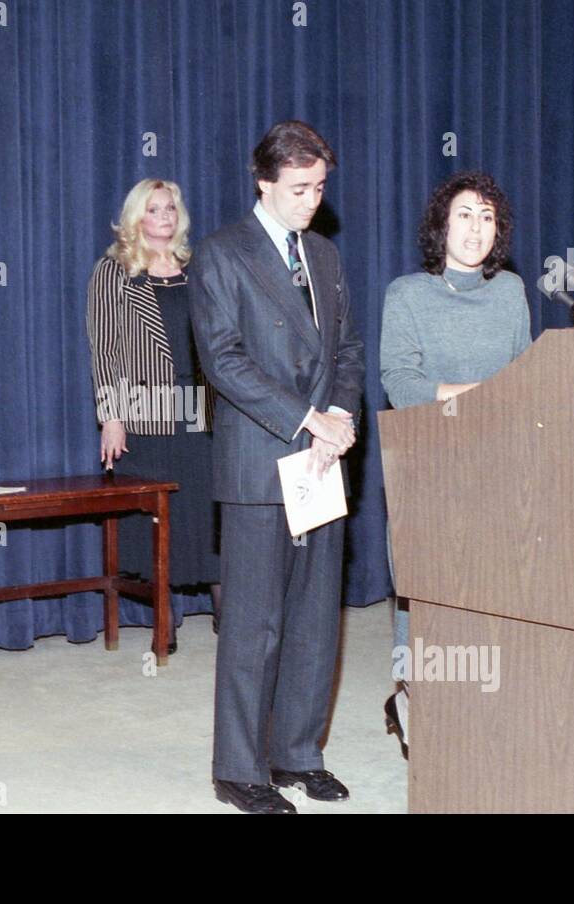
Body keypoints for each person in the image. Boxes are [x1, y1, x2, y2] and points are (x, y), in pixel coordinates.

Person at [190, 121, 365, 814]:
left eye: (320, 188)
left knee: (315, 621)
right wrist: (305, 417)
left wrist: (341, 418)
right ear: (263, 182)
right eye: (299, 189)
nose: (311, 201)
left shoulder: (323, 254)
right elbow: (223, 360)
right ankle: (238, 769)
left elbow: (348, 348)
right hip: (262, 464)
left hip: (324, 460)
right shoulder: (220, 255)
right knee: (254, 626)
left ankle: (297, 754)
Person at [378, 170, 531, 758]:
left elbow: (526, 376)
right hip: (429, 462)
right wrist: (476, 394)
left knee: (495, 582)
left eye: (488, 217)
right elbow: (400, 383)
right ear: (442, 225)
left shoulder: (512, 291)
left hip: (499, 461)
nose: (476, 227)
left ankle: (486, 700)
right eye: (465, 214)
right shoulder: (407, 294)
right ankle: (412, 696)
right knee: (422, 587)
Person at [86, 178, 221, 655]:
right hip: (145, 412)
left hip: (204, 408)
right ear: (135, 218)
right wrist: (112, 415)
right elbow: (104, 349)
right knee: (159, 520)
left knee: (211, 511)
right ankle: (164, 623)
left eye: (170, 208)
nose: (164, 216)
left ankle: (230, 618)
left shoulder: (198, 267)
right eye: (153, 209)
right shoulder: (115, 270)